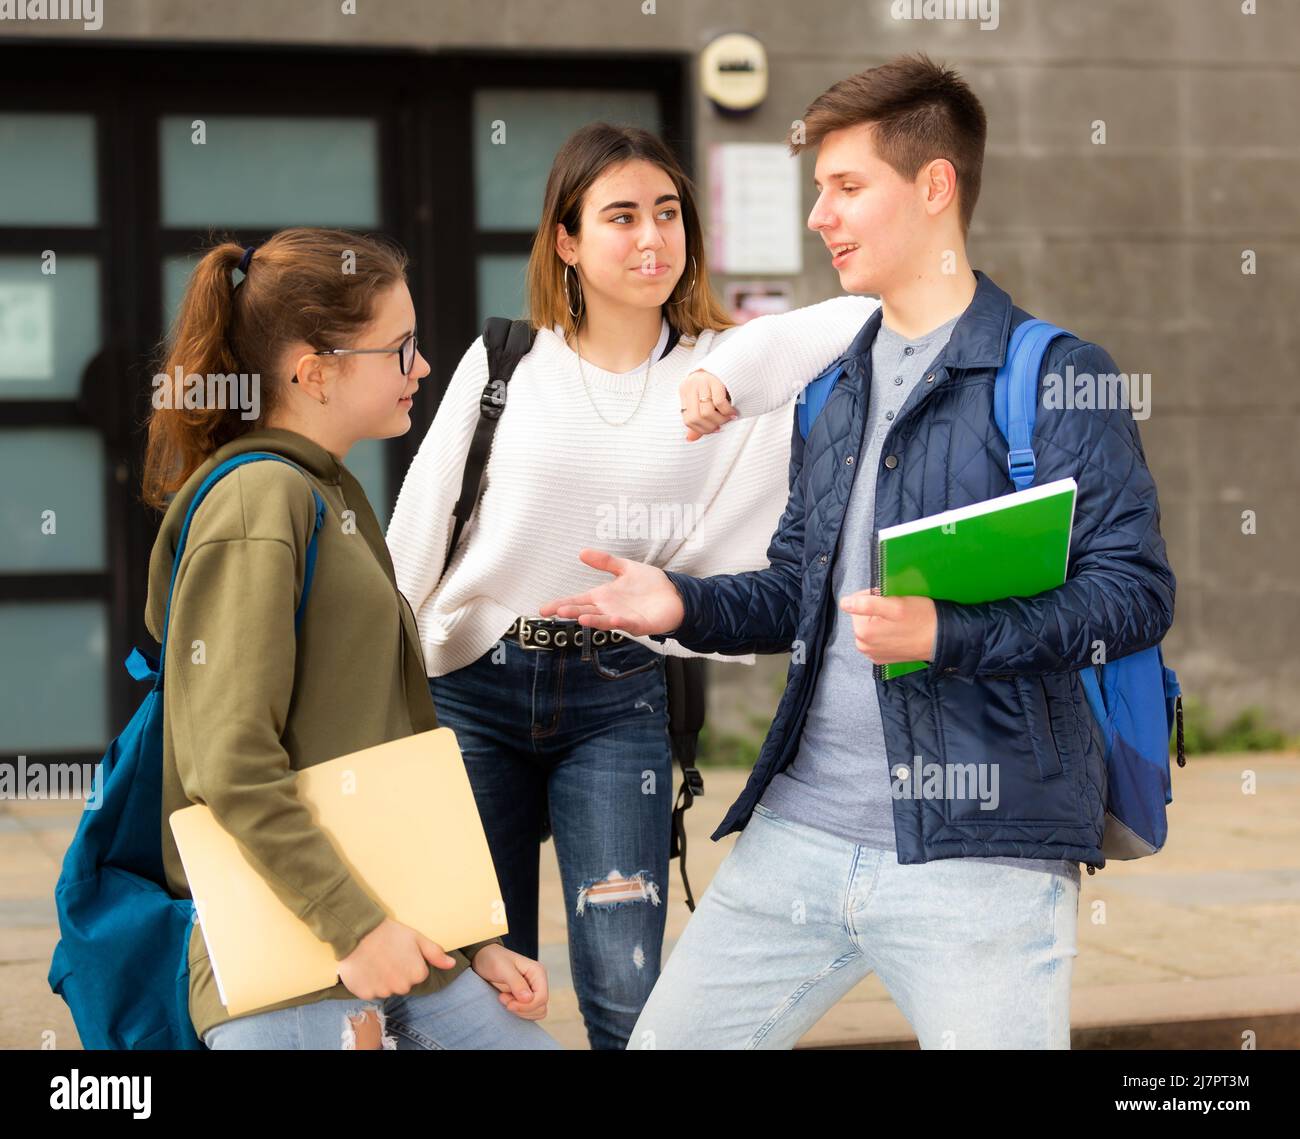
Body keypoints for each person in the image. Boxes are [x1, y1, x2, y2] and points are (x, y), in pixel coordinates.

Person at [540, 55, 1176, 1050]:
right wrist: (683, 604)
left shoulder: (1053, 374)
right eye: (817, 191)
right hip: (795, 836)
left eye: (845, 188)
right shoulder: (832, 386)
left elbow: (1131, 594)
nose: (818, 217)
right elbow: (799, 585)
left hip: (982, 858)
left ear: (933, 187)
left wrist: (946, 630)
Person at [385, 123, 877, 1049]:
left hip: (617, 699)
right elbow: (413, 548)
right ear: (565, 240)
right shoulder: (501, 366)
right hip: (472, 689)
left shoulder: (726, 381)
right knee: (471, 992)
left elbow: (871, 318)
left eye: (668, 214)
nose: (652, 237)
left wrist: (734, 366)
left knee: (626, 994)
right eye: (620, 217)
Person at [142, 227, 561, 1050]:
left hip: (401, 947)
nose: (423, 367)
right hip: (297, 973)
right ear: (313, 370)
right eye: (399, 349)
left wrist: (468, 940)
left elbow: (372, 748)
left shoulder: (325, 493)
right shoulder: (262, 502)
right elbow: (228, 761)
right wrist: (356, 927)